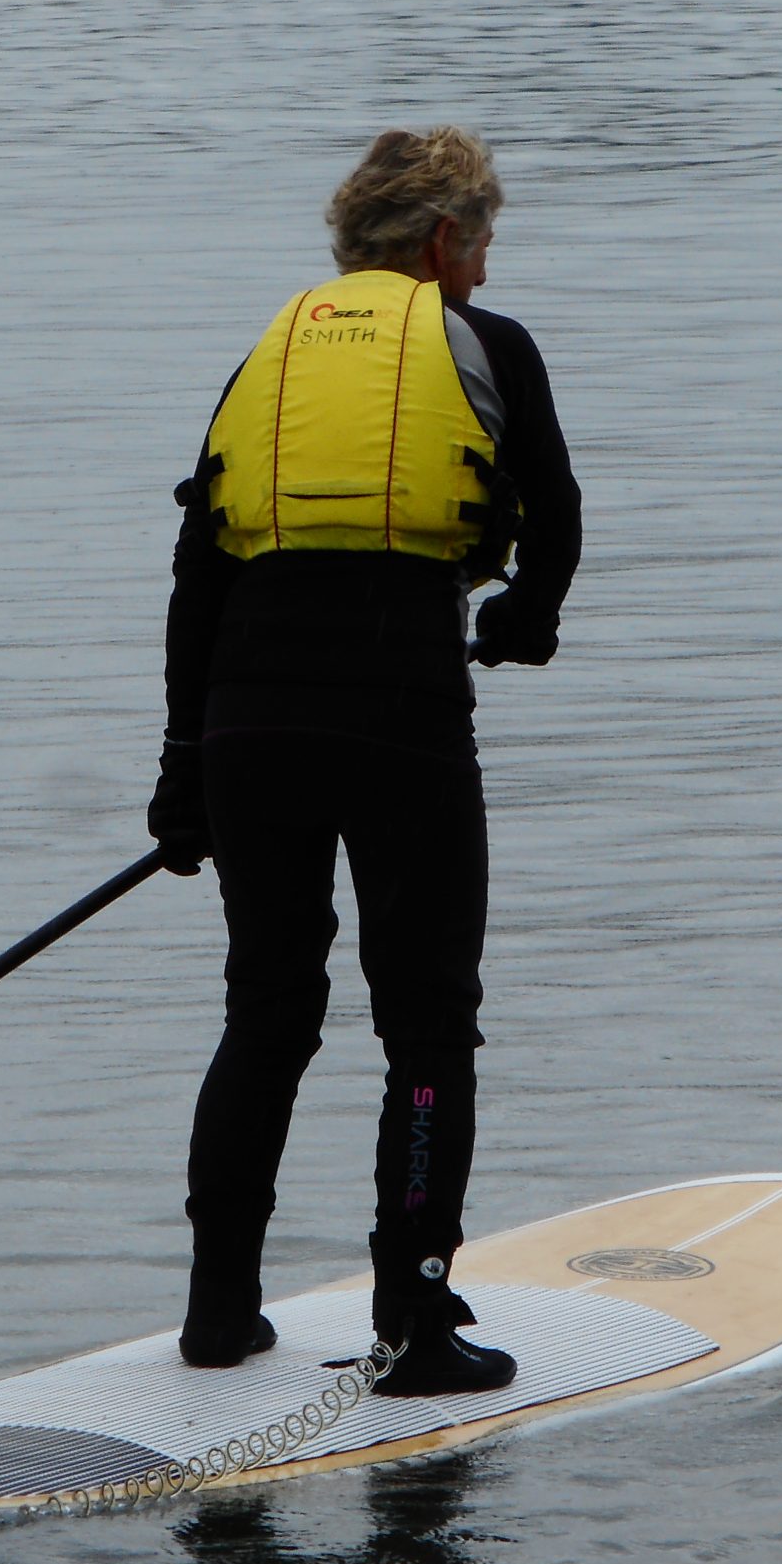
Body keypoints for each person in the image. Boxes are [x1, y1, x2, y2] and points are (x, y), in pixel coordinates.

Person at [148, 126, 581, 1396]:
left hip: (245, 714)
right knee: (427, 1017)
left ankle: (218, 1312)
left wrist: (184, 766)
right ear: (443, 241)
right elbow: (551, 517)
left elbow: (197, 575)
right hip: (400, 703)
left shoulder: (262, 361)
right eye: (484, 241)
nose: (488, 270)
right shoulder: (489, 349)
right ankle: (414, 1320)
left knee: (269, 1007)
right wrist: (521, 623)